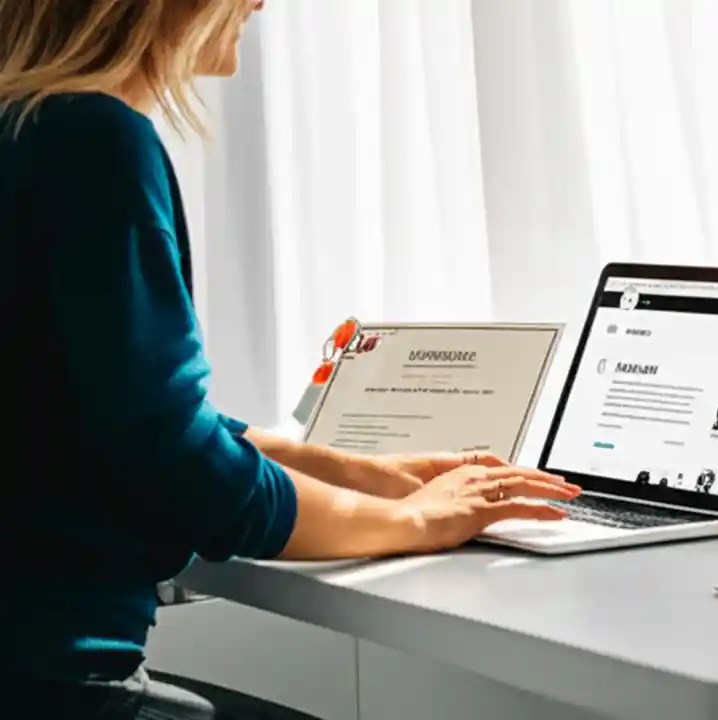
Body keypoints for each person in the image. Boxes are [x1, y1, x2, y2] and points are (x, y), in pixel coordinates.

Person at [0, 1, 580, 716]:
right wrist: (418, 522)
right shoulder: (92, 141)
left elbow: (107, 417)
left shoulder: (25, 130)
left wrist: (364, 473)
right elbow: (187, 478)